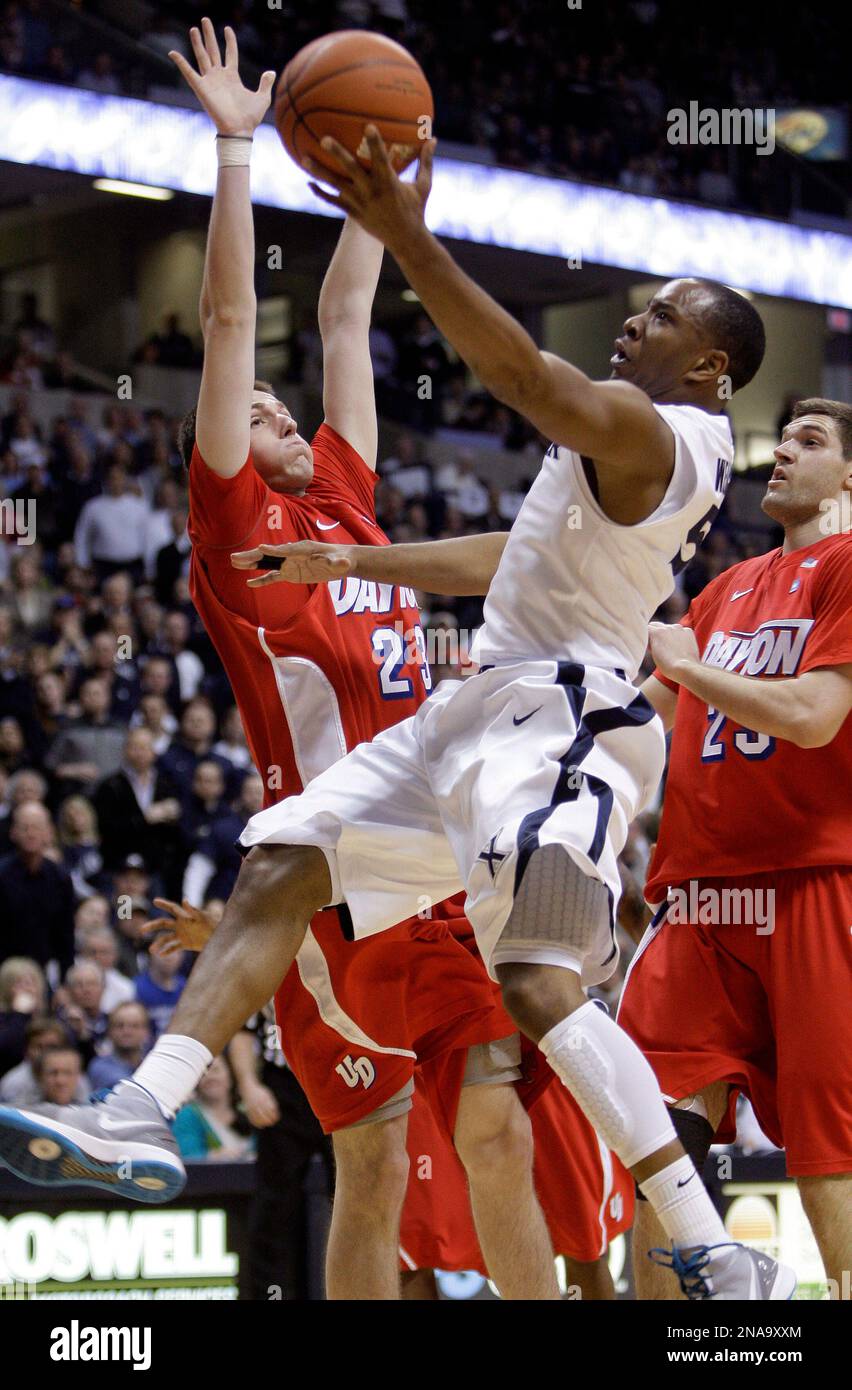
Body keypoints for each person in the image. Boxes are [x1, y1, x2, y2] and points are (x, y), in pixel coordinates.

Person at [618, 398, 852, 1295]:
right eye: (782, 438)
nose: (782, 454)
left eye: (810, 442)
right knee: (655, 1132)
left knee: (830, 1151)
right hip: (702, 898)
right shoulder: (727, 589)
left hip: (815, 884)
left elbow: (813, 717)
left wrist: (684, 664)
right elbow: (649, 726)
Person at [0, 802, 75, 979]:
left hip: (44, 971)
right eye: (25, 828)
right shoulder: (1, 876)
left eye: (36, 828)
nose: (31, 834)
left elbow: (66, 936)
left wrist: (65, 983)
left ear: (49, 833)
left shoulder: (60, 878)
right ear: (13, 832)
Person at [89, 1001, 151, 1091]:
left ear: (146, 1032)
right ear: (109, 1031)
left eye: (134, 1026)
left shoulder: (151, 1064)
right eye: (119, 1026)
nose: (127, 1032)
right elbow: (128, 1091)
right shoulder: (100, 1066)